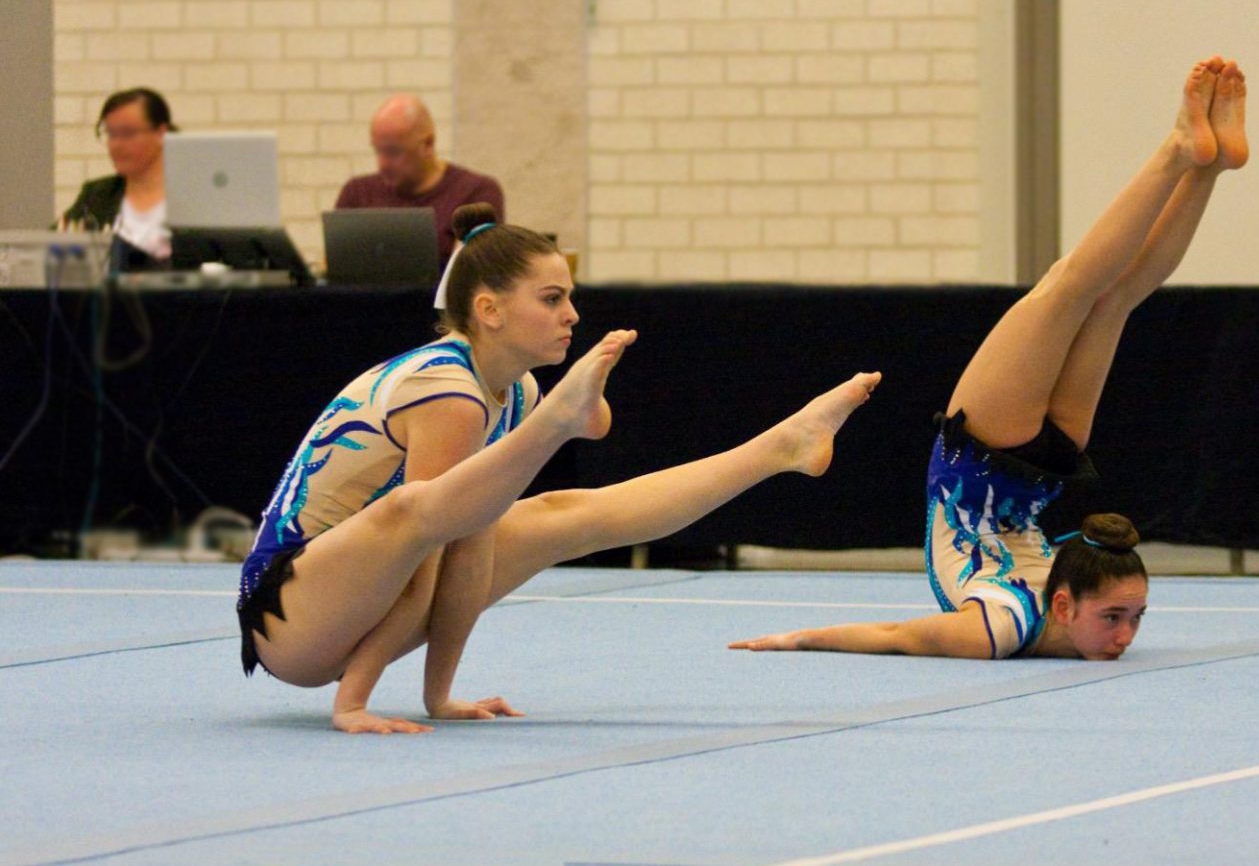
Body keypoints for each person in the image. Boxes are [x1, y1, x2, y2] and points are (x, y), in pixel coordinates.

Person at [238, 202, 881, 734]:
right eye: (551, 299)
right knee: (425, 514)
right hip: (290, 612)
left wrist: (440, 698)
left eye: (569, 296)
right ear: (489, 310)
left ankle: (779, 447)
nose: (571, 314)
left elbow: (465, 546)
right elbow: (419, 547)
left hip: (358, 597)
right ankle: (560, 427)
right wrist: (354, 702)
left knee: (560, 513)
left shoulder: (513, 389)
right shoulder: (447, 392)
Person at [731, 57, 1249, 661]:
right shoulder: (1013, 621)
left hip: (1048, 463)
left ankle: (1204, 169)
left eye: (1127, 619)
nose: (1125, 637)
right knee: (1072, 288)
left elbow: (900, 637)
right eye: (1120, 616)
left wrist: (799, 638)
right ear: (1064, 603)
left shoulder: (1015, 619)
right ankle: (1181, 155)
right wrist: (802, 638)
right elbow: (900, 635)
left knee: (1109, 298)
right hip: (985, 462)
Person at [334, 94, 505, 269]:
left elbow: (471, 273)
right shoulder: (356, 193)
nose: (382, 163)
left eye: (393, 151)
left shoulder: (476, 192)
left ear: (428, 144)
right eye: (377, 150)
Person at [58, 87, 178, 264]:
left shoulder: (193, 196)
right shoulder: (97, 196)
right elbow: (54, 243)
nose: (116, 145)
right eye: (111, 134)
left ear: (161, 133)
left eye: (128, 133)